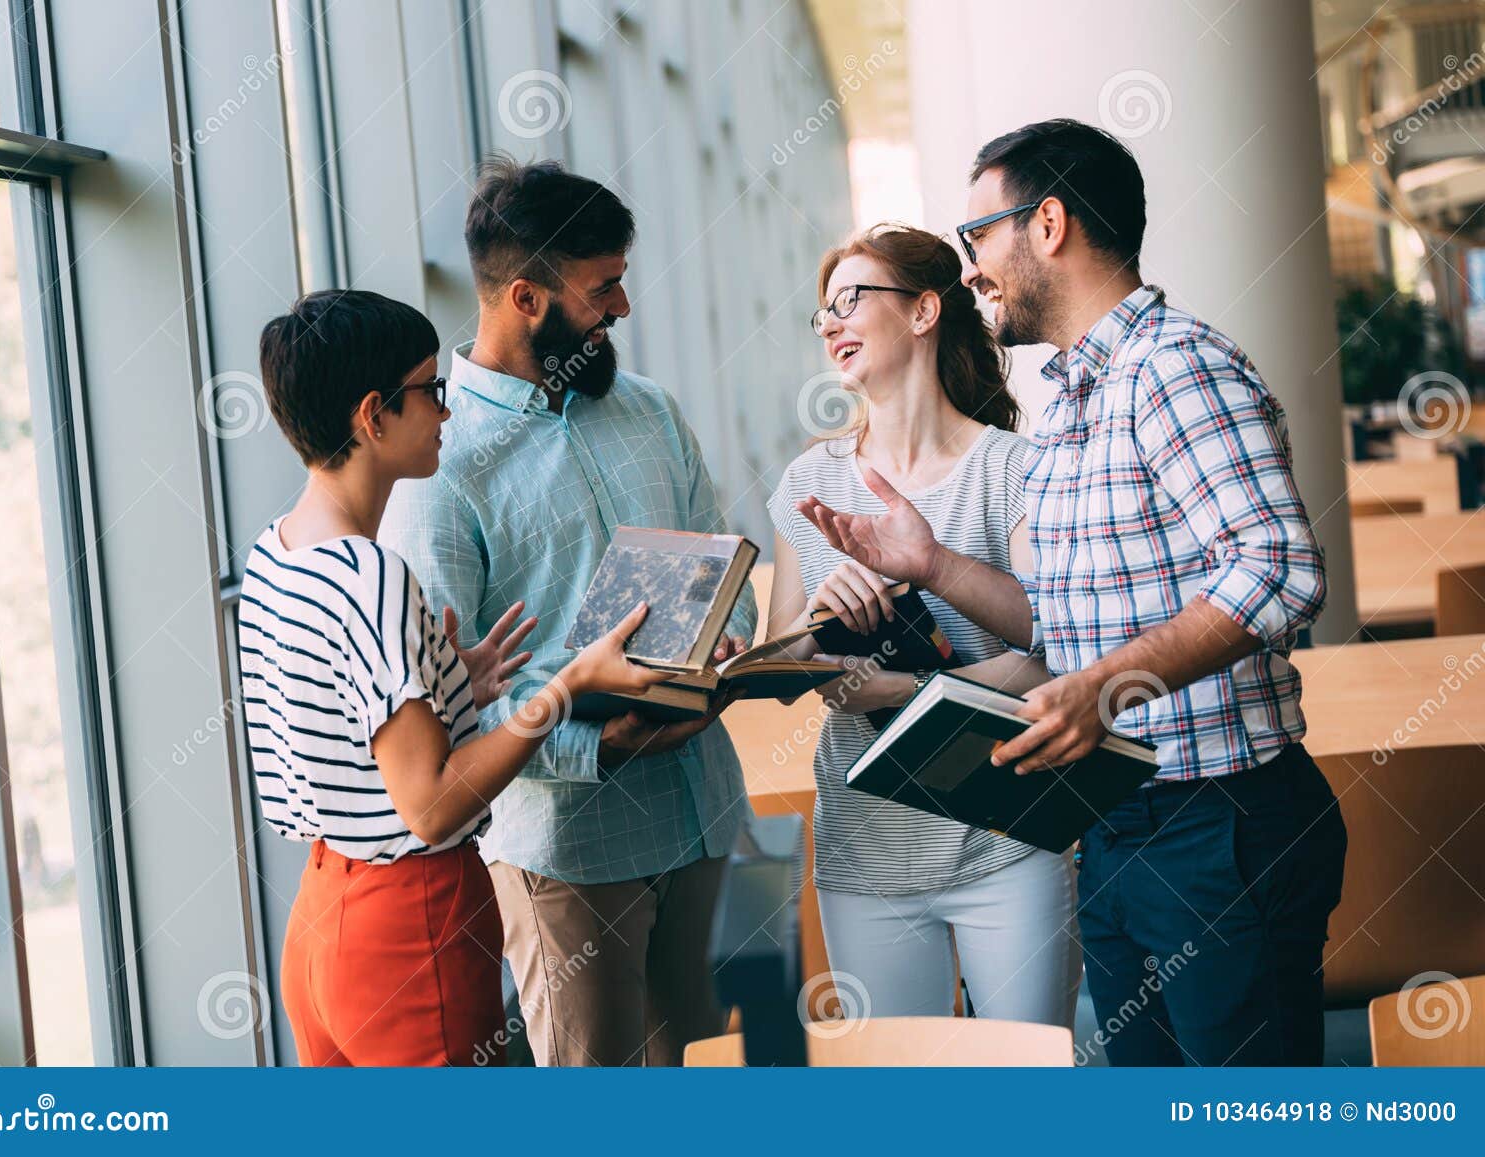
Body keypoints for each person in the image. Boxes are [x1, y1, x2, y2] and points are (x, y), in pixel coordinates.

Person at [800, 120, 1346, 1066]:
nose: (971, 270)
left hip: (1218, 823)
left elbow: (1281, 569)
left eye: (978, 239)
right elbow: (1063, 620)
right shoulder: (1071, 401)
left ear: (1046, 223)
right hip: (1116, 822)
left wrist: (1106, 685)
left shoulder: (1175, 368)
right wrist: (932, 564)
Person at [381, 158, 756, 1067]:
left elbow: (723, 567)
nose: (622, 306)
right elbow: (443, 716)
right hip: (570, 855)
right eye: (604, 288)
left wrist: (728, 642)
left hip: (702, 814)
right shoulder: (441, 468)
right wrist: (604, 741)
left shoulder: (652, 411)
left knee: (708, 1082)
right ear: (525, 297)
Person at [238, 289, 670, 1066]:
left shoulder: (276, 552)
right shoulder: (370, 576)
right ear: (374, 415)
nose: (446, 411)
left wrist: (444, 686)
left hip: (321, 920)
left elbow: (339, 731)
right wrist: (565, 685)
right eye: (430, 391)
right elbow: (432, 807)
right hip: (408, 926)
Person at [765, 223, 1079, 1027]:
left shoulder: (1013, 467)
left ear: (924, 311)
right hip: (866, 849)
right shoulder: (810, 481)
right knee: (896, 1107)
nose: (831, 323)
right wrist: (820, 620)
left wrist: (930, 575)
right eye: (822, 313)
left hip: (1007, 831)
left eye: (850, 301)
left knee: (1027, 1097)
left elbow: (1055, 643)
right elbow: (787, 673)